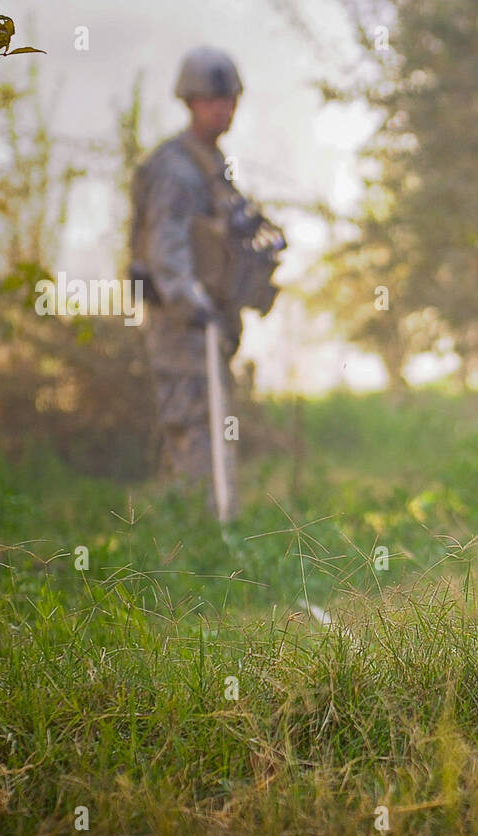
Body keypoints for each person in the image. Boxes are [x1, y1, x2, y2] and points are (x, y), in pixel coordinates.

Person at [130, 46, 282, 520]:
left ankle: (212, 536)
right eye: (213, 99)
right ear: (190, 100)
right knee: (193, 427)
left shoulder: (211, 163)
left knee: (215, 426)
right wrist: (189, 301)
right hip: (184, 324)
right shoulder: (175, 168)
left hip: (211, 319)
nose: (224, 107)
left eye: (230, 98)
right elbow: (166, 249)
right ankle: (194, 542)